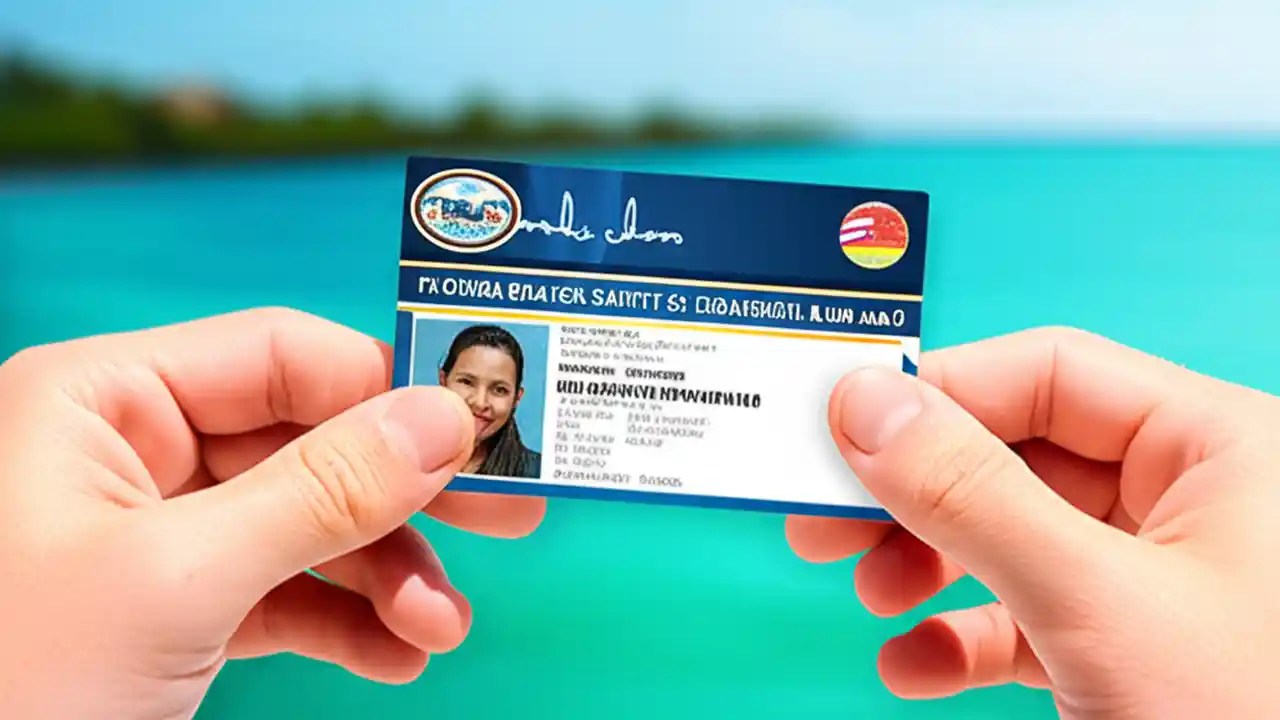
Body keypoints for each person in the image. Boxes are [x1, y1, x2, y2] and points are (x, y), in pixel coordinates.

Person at [0, 309, 1278, 719]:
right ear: (442, 381)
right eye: (467, 382)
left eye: (502, 388)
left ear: (520, 396)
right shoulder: (423, 461)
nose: (484, 403)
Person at [436, 324, 542, 479]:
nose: (480, 403)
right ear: (443, 381)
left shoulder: (537, 473)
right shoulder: (407, 454)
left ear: (516, 398)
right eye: (466, 382)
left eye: (499, 390)